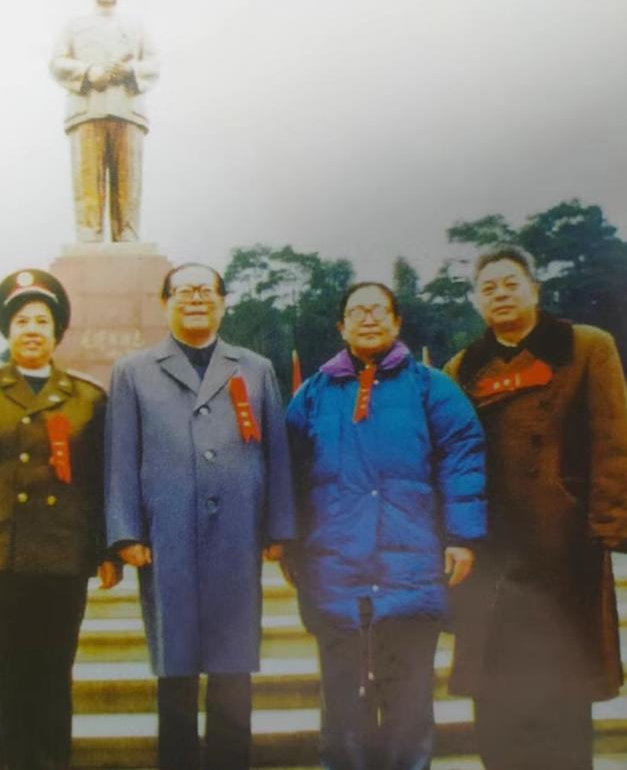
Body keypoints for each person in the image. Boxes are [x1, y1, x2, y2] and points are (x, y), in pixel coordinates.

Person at [283, 281, 487, 770]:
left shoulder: (431, 387)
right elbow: (288, 475)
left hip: (411, 571)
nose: (368, 318)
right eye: (357, 311)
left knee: (409, 704)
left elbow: (463, 459)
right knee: (343, 705)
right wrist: (290, 547)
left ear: (397, 323)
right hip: (336, 575)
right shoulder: (312, 394)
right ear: (342, 326)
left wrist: (461, 537)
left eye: (379, 310)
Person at [104, 262, 294, 770]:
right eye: (183, 291)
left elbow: (275, 449)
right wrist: (125, 531)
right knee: (176, 666)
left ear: (224, 302)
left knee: (233, 669)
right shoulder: (133, 371)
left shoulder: (254, 367)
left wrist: (278, 527)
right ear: (165, 303)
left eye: (205, 291)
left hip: (236, 533)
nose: (195, 299)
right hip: (167, 535)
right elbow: (121, 455)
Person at [444, 247, 627, 770]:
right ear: (477, 301)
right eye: (488, 288)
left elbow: (613, 441)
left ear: (535, 289)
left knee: (563, 685)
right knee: (495, 686)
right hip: (493, 554)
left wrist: (607, 526)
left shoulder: (587, 346)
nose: (500, 294)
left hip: (564, 546)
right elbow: (455, 457)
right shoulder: (464, 366)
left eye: (510, 283)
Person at [0, 268, 120, 770]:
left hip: (63, 555)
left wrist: (106, 550)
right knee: (10, 678)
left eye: (42, 320)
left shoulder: (87, 398)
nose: (32, 329)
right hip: (1, 553)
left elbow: (100, 481)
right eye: (21, 321)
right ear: (8, 330)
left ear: (58, 332)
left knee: (54, 675)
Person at [50, 0, 159, 243]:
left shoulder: (136, 26)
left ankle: (128, 238)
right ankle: (89, 238)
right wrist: (89, 72)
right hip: (88, 109)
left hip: (127, 109)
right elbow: (57, 63)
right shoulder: (75, 26)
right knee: (88, 182)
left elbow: (153, 64)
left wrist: (130, 70)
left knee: (128, 182)